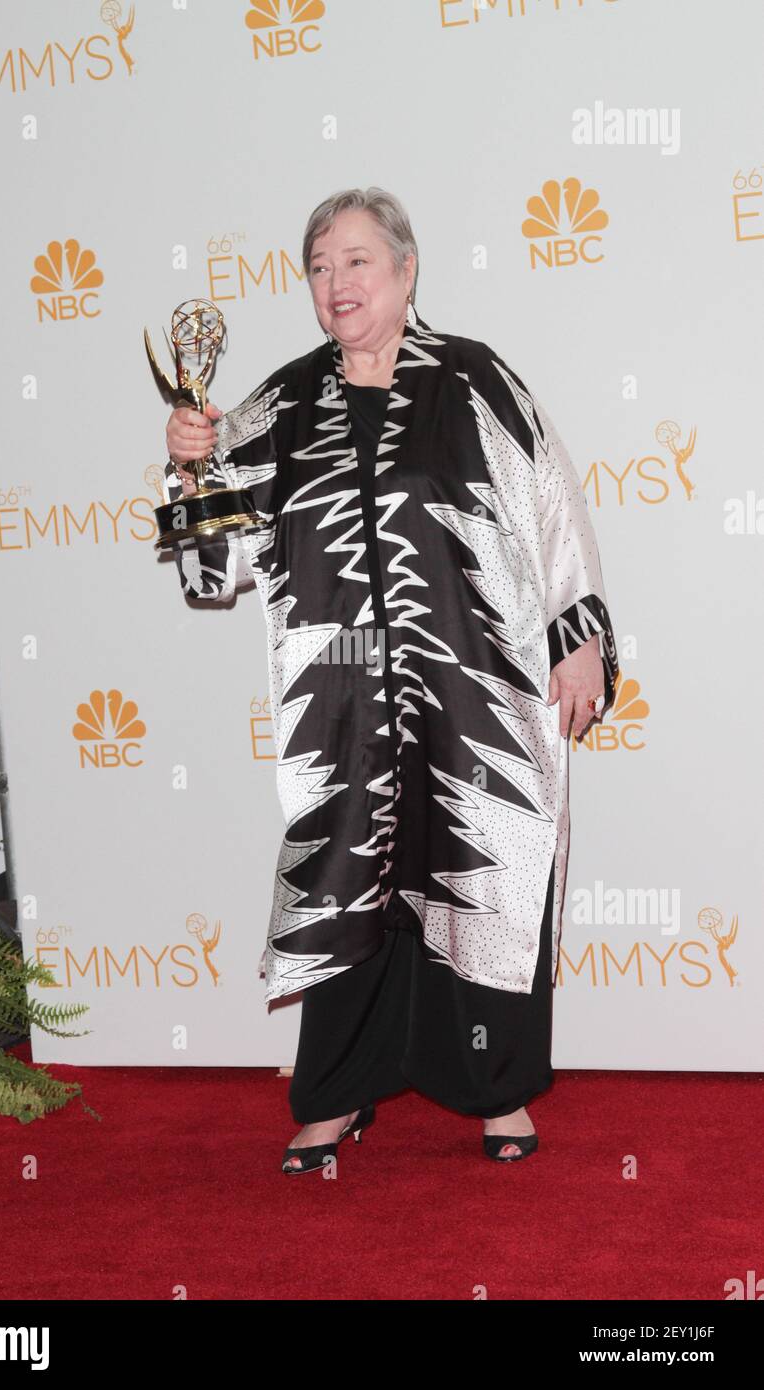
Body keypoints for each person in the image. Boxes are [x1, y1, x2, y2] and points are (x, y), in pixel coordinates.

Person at [163, 187, 619, 1172]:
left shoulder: (475, 381)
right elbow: (212, 572)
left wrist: (575, 637)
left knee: (485, 873)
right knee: (345, 891)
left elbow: (551, 509)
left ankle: (496, 1092)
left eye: (357, 261)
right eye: (320, 267)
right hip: (343, 709)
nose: (337, 283)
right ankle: (333, 1097)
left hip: (476, 696)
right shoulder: (278, 406)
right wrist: (190, 470)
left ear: (406, 271)